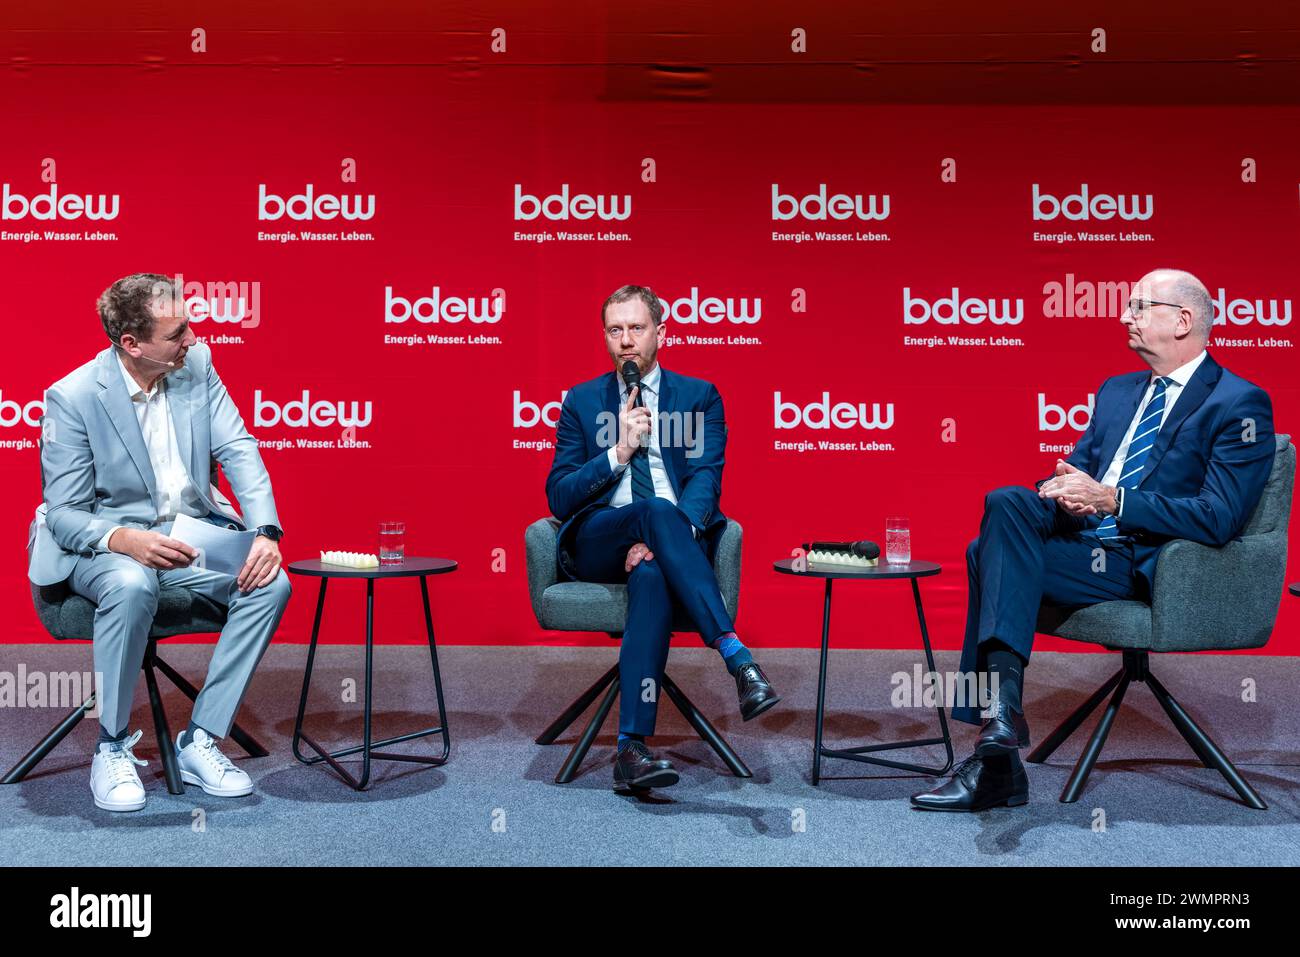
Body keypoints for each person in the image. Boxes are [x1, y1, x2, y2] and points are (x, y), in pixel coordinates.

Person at [911, 268, 1275, 811]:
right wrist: (1060, 488)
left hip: (1143, 560)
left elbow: (1219, 517)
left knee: (984, 554)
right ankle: (1003, 720)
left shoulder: (1238, 403)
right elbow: (1079, 470)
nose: (1123, 316)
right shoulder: (1117, 390)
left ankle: (998, 758)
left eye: (1138, 307)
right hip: (1086, 541)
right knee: (1008, 502)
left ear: (1183, 321)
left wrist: (1115, 501)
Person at [27, 273, 291, 812]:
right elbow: (66, 515)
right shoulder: (74, 396)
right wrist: (125, 539)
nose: (192, 338)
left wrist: (264, 531)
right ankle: (112, 746)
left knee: (270, 585)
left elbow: (238, 446)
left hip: (188, 534)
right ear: (131, 343)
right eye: (178, 331)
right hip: (101, 543)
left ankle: (200, 739)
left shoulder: (198, 365)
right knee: (130, 583)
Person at [545, 284, 780, 793]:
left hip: (668, 542)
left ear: (661, 333)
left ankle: (631, 748)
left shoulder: (698, 396)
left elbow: (705, 481)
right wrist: (619, 452)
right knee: (652, 509)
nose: (626, 340)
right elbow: (559, 497)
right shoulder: (583, 401)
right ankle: (738, 658)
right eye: (615, 330)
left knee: (651, 570)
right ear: (605, 337)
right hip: (600, 540)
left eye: (636, 327)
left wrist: (668, 533)